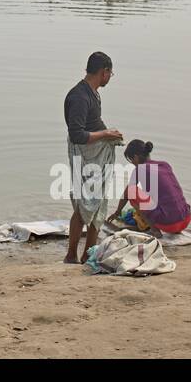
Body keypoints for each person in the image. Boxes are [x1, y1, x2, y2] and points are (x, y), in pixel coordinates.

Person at [63, 52, 124, 264]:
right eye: (110, 73)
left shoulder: (93, 93)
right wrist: (106, 135)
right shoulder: (79, 97)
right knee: (85, 204)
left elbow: (93, 122)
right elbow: (77, 135)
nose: (110, 77)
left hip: (97, 156)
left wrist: (109, 135)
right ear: (103, 72)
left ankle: (89, 254)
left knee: (98, 205)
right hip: (85, 158)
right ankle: (71, 255)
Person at [108, 140, 191, 234]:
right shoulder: (164, 165)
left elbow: (128, 193)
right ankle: (170, 226)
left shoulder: (139, 169)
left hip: (168, 225)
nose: (132, 164)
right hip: (186, 219)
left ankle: (155, 230)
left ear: (135, 157)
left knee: (132, 192)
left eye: (131, 161)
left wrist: (117, 211)